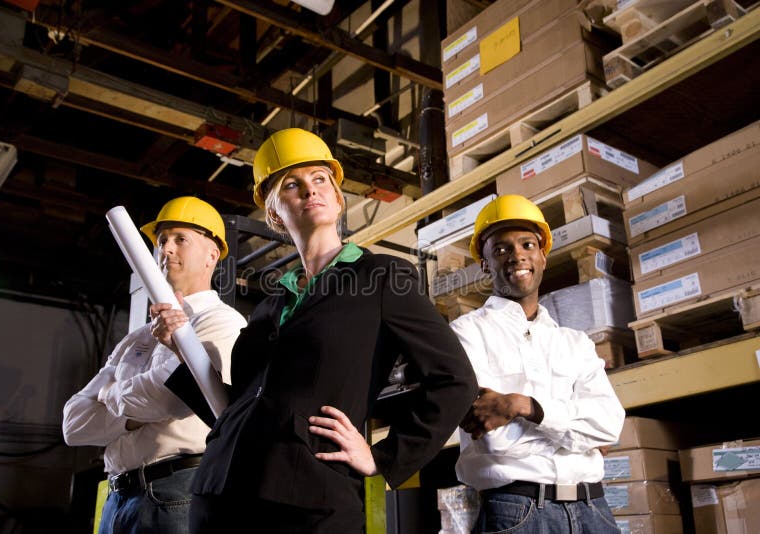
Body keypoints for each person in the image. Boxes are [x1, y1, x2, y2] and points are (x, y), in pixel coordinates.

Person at [162, 127, 478, 533]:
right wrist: (181, 350)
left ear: (337, 196)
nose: (310, 190)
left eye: (320, 179)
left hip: (310, 500)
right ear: (275, 213)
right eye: (292, 185)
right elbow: (232, 408)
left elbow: (455, 380)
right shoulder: (269, 305)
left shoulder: (380, 277)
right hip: (220, 495)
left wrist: (383, 458)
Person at [62, 196, 247, 534]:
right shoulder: (137, 339)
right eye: (162, 240)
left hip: (176, 493)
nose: (167, 249)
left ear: (212, 254)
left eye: (181, 239)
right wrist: (134, 412)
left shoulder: (222, 322)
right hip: (117, 498)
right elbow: (74, 424)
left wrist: (109, 393)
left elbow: (170, 399)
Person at [449, 194, 625, 534]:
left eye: (527, 244)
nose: (517, 255)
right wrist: (575, 433)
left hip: (595, 511)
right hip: (518, 512)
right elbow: (496, 441)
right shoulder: (466, 334)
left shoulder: (575, 343)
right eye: (500, 249)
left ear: (542, 256)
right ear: (485, 264)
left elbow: (608, 426)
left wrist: (524, 405)